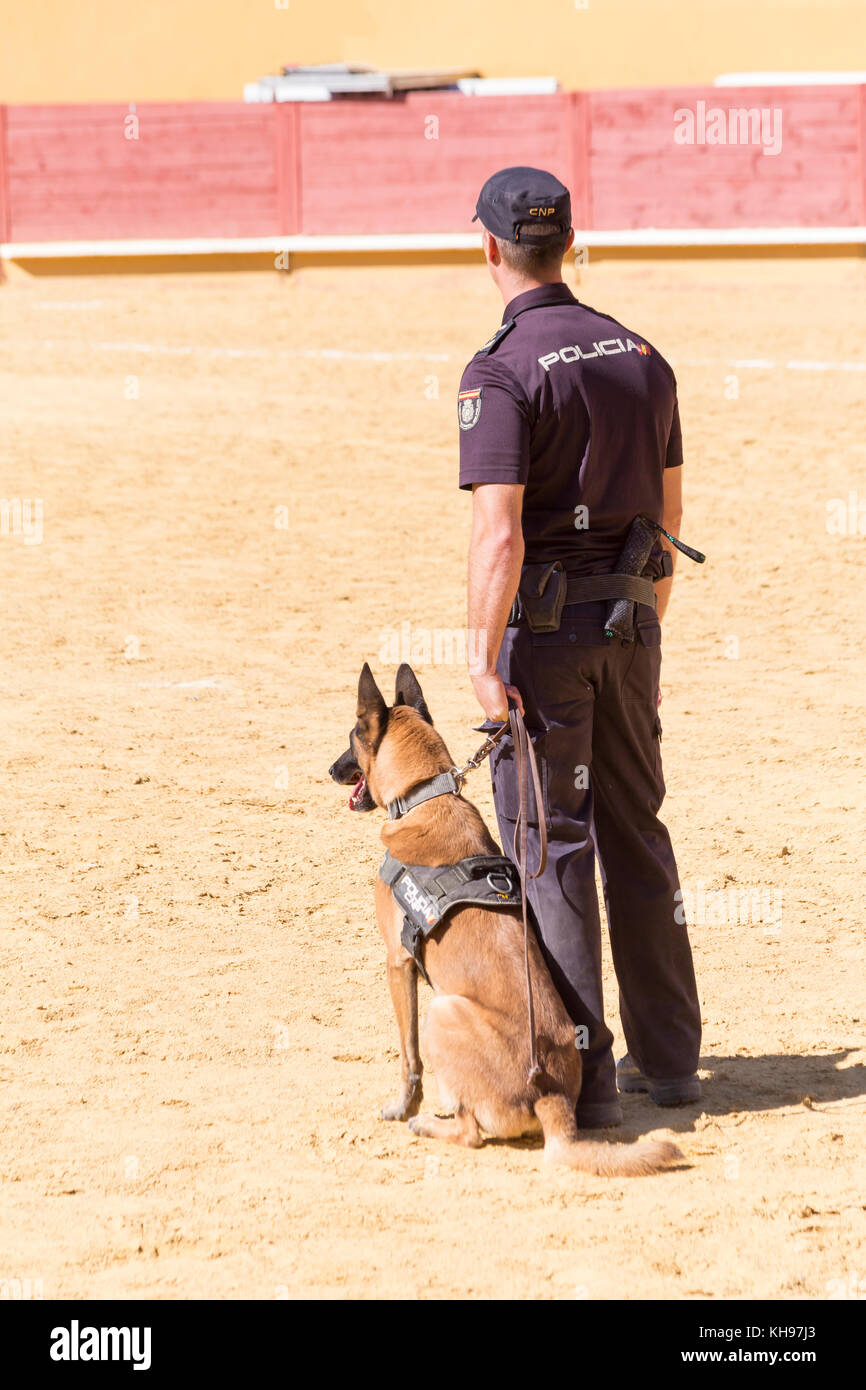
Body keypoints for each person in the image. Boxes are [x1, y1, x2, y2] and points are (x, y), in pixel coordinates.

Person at [458, 166, 701, 1128]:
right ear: (570, 244)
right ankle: (673, 1061)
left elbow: (501, 537)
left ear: (487, 248)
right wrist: (643, 634)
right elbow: (672, 519)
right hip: (632, 625)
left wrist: (481, 659)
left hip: (548, 641)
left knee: (553, 845)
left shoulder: (501, 371)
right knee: (639, 832)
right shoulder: (645, 355)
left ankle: (584, 1077)